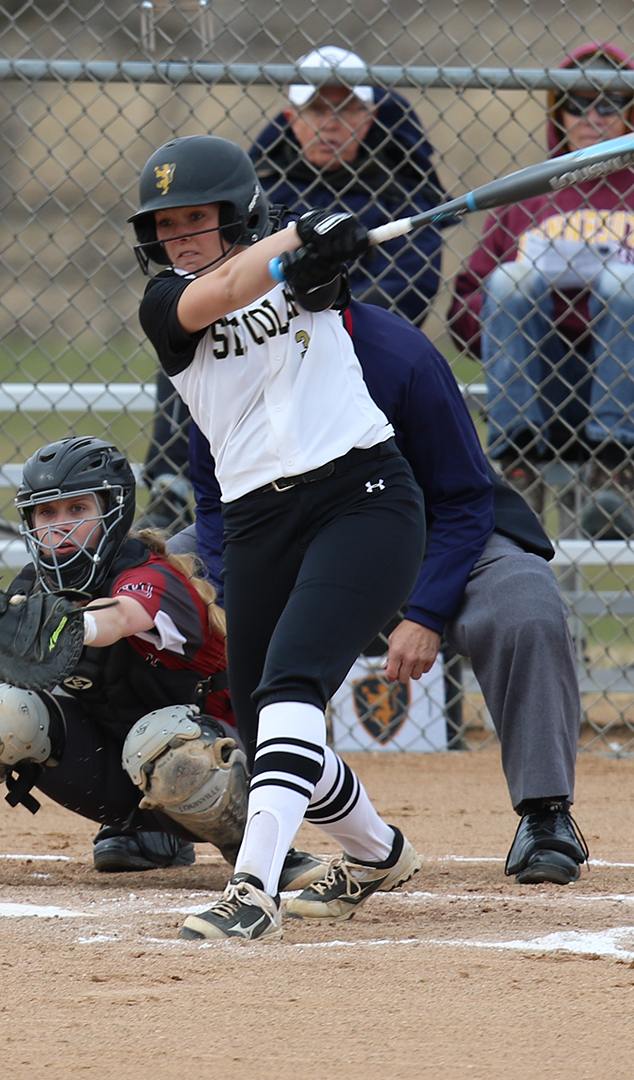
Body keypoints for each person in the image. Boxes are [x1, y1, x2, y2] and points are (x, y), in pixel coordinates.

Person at [0, 437, 325, 893]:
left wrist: (64, 624)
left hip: (215, 771)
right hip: (117, 777)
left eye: (77, 509)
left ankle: (265, 859)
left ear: (113, 511)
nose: (60, 527)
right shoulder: (37, 588)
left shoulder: (151, 576)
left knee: (163, 739)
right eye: (46, 514)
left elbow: (122, 616)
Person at [132, 132, 427, 940]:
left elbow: (311, 277)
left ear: (239, 215)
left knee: (293, 685)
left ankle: (251, 890)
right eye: (167, 223)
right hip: (257, 521)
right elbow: (228, 287)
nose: (180, 235)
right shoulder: (165, 304)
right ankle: (378, 852)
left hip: (362, 496)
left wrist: (325, 248)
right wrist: (301, 235)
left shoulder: (301, 276)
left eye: (198, 218)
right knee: (270, 726)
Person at [185, 301, 592, 884]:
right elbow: (212, 498)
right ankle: (154, 815)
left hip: (425, 537)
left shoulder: (397, 355)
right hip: (281, 540)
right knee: (170, 575)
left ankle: (545, 812)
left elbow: (463, 498)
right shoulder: (228, 353)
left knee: (523, 601)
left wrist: (426, 614)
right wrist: (233, 594)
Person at [133, 45, 452, 535]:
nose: (331, 124)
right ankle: (174, 485)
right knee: (199, 342)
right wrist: (301, 251)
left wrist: (326, 285)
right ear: (291, 117)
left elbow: (409, 288)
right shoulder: (261, 191)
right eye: (317, 109)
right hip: (257, 334)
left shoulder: (405, 191)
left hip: (354, 334)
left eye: (346, 109)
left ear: (369, 117)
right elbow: (232, 276)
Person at [449, 40, 634, 541]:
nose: (592, 115)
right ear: (557, 111)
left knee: (625, 282)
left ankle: (613, 471)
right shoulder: (522, 203)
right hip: (542, 385)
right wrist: (537, 289)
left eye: (609, 102)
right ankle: (518, 468)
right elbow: (462, 318)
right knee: (510, 279)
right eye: (576, 101)